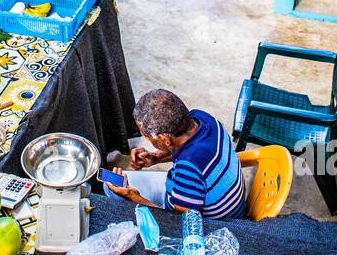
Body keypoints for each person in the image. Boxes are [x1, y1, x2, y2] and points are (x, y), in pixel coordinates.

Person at [104, 89, 246, 218]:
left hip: (212, 223)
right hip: (219, 200)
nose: (146, 139)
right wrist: (156, 157)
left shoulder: (188, 169)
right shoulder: (203, 119)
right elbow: (188, 150)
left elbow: (176, 222)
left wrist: (132, 196)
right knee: (117, 183)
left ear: (165, 139)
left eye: (146, 135)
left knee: (110, 189)